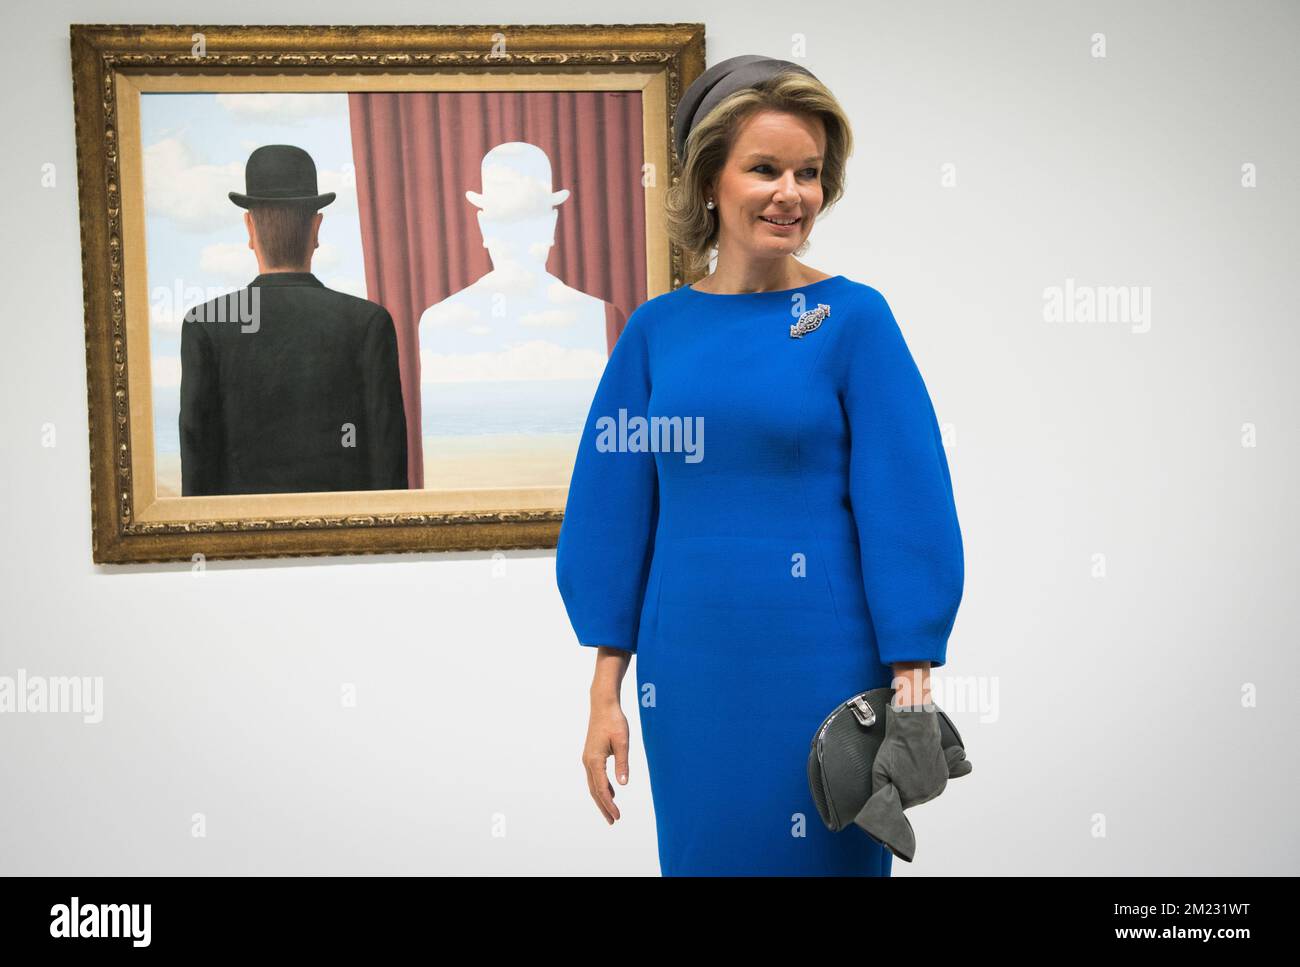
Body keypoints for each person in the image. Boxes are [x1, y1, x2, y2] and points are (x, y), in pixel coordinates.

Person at [555, 56, 965, 875]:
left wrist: (912, 684)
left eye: (809, 173)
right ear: (710, 179)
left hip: (827, 673)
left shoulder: (852, 318)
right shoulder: (655, 332)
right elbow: (612, 517)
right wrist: (605, 691)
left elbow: (906, 504)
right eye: (766, 168)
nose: (792, 193)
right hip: (691, 678)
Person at [180, 144, 408, 496]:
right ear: (316, 229)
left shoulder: (205, 326)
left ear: (249, 228)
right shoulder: (368, 324)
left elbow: (197, 483)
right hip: (345, 547)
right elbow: (389, 475)